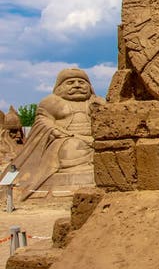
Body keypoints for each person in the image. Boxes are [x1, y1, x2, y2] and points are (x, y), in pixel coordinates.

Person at [14, 68, 102, 198]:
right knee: (73, 148)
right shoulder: (51, 102)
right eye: (71, 82)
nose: (77, 85)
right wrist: (57, 132)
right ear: (59, 87)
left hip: (93, 139)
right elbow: (43, 121)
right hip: (66, 140)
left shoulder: (96, 101)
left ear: (89, 86)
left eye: (81, 82)